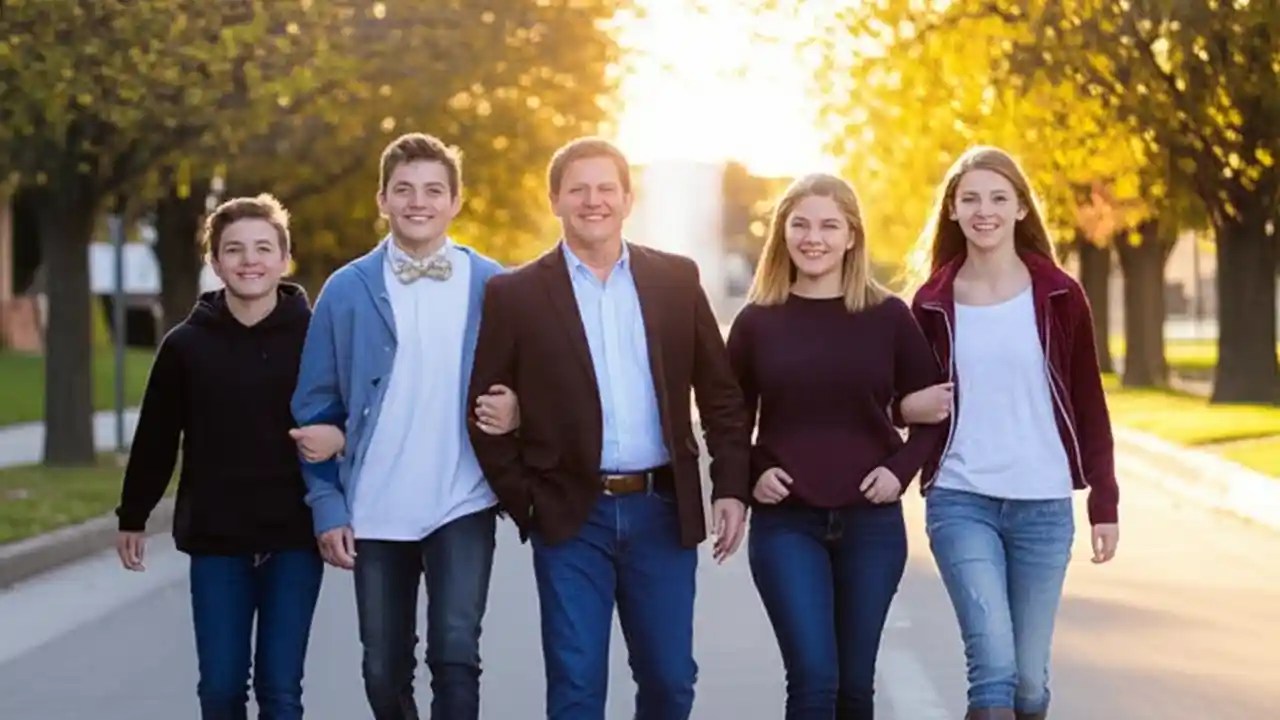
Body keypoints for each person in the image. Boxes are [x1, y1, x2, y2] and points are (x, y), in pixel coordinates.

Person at [466, 136, 751, 720]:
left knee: (670, 682)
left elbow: (720, 395)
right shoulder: (514, 294)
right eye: (577, 189)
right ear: (555, 201)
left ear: (627, 199)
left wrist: (730, 487)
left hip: (661, 511)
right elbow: (485, 413)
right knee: (575, 686)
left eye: (604, 189)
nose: (591, 201)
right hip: (571, 517)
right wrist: (529, 504)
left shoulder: (675, 280)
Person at [289, 132, 515, 720]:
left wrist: (518, 410)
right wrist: (327, 504)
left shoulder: (495, 285)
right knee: (384, 665)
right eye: (405, 189)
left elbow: (536, 380)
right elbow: (314, 409)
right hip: (375, 509)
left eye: (434, 190)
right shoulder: (346, 289)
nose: (419, 202)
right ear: (383, 200)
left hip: (461, 501)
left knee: (457, 653)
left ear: (456, 202)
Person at [902, 145, 1121, 720]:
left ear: (1022, 208)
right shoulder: (930, 304)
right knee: (993, 672)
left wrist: (1105, 500)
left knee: (1029, 684)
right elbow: (901, 401)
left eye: (999, 197)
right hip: (960, 500)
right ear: (951, 209)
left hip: (1044, 506)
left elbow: (1089, 404)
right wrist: (906, 409)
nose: (984, 210)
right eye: (970, 198)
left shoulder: (1059, 295)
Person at [724, 174, 945, 719]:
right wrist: (753, 471)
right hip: (786, 525)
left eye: (829, 225)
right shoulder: (756, 322)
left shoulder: (889, 316)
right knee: (814, 680)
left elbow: (937, 409)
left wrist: (900, 470)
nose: (813, 237)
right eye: (800, 224)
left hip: (871, 523)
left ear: (852, 236)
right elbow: (729, 419)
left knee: (853, 687)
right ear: (783, 234)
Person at [115, 194, 325, 720]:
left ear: (284, 257)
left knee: (281, 691)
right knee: (221, 688)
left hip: (295, 538)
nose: (249, 260)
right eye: (234, 249)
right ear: (215, 262)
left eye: (262, 248)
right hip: (216, 540)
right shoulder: (185, 346)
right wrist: (133, 514)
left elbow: (346, 419)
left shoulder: (318, 338)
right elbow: (157, 437)